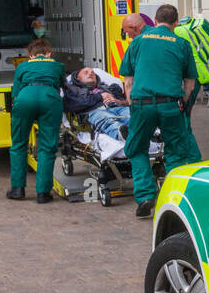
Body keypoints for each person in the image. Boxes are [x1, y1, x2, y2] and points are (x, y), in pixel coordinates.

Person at [119, 4, 202, 218]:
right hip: (170, 103)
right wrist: (181, 102)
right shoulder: (181, 44)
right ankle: (171, 198)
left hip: (142, 103)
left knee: (137, 149)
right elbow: (190, 84)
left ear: (154, 21)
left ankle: (146, 196)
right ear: (175, 23)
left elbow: (128, 81)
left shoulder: (137, 42)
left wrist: (131, 102)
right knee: (175, 150)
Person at [7, 38, 64, 203]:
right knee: (47, 147)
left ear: (30, 55)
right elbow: (61, 87)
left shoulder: (22, 66)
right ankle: (43, 193)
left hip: (25, 98)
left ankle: (17, 189)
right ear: (49, 53)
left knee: (18, 144)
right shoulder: (57, 65)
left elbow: (16, 92)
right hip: (49, 98)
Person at [64, 66, 131, 140]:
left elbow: (124, 101)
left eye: (92, 73)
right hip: (95, 112)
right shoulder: (73, 91)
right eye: (86, 73)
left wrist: (119, 101)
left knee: (131, 114)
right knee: (106, 119)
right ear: (78, 78)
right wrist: (100, 96)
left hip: (116, 108)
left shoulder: (105, 87)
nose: (90, 74)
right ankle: (120, 133)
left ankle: (141, 129)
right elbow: (73, 105)